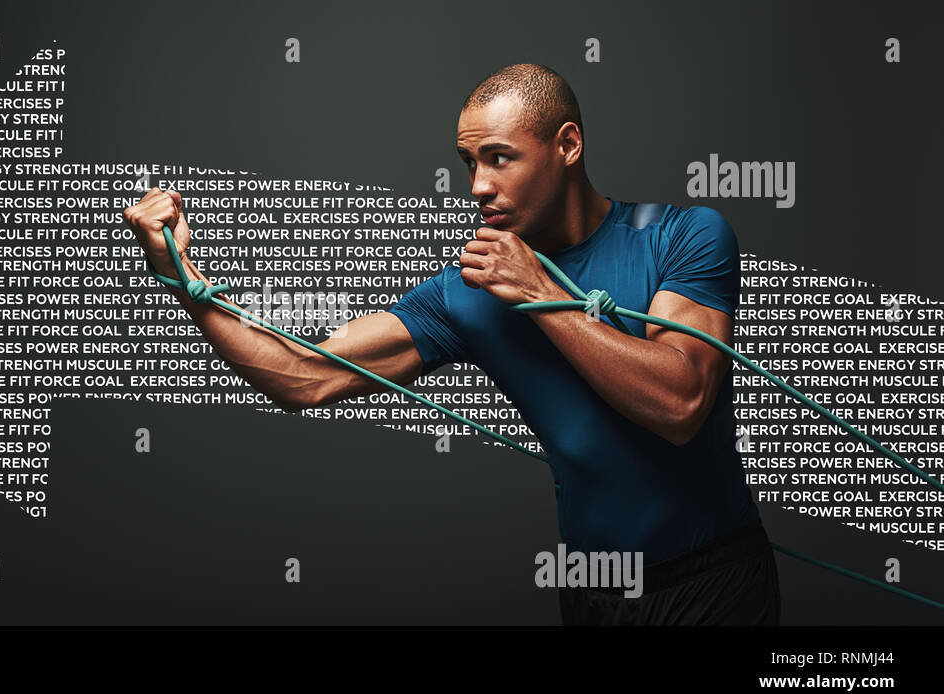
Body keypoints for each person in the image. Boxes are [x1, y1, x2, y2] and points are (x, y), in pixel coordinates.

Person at [121, 63, 780, 626]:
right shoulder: (467, 291)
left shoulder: (681, 236)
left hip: (711, 582)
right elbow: (305, 376)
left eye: (500, 157)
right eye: (469, 162)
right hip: (589, 591)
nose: (478, 186)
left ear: (568, 145)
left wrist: (534, 293)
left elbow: (680, 401)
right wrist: (186, 279)